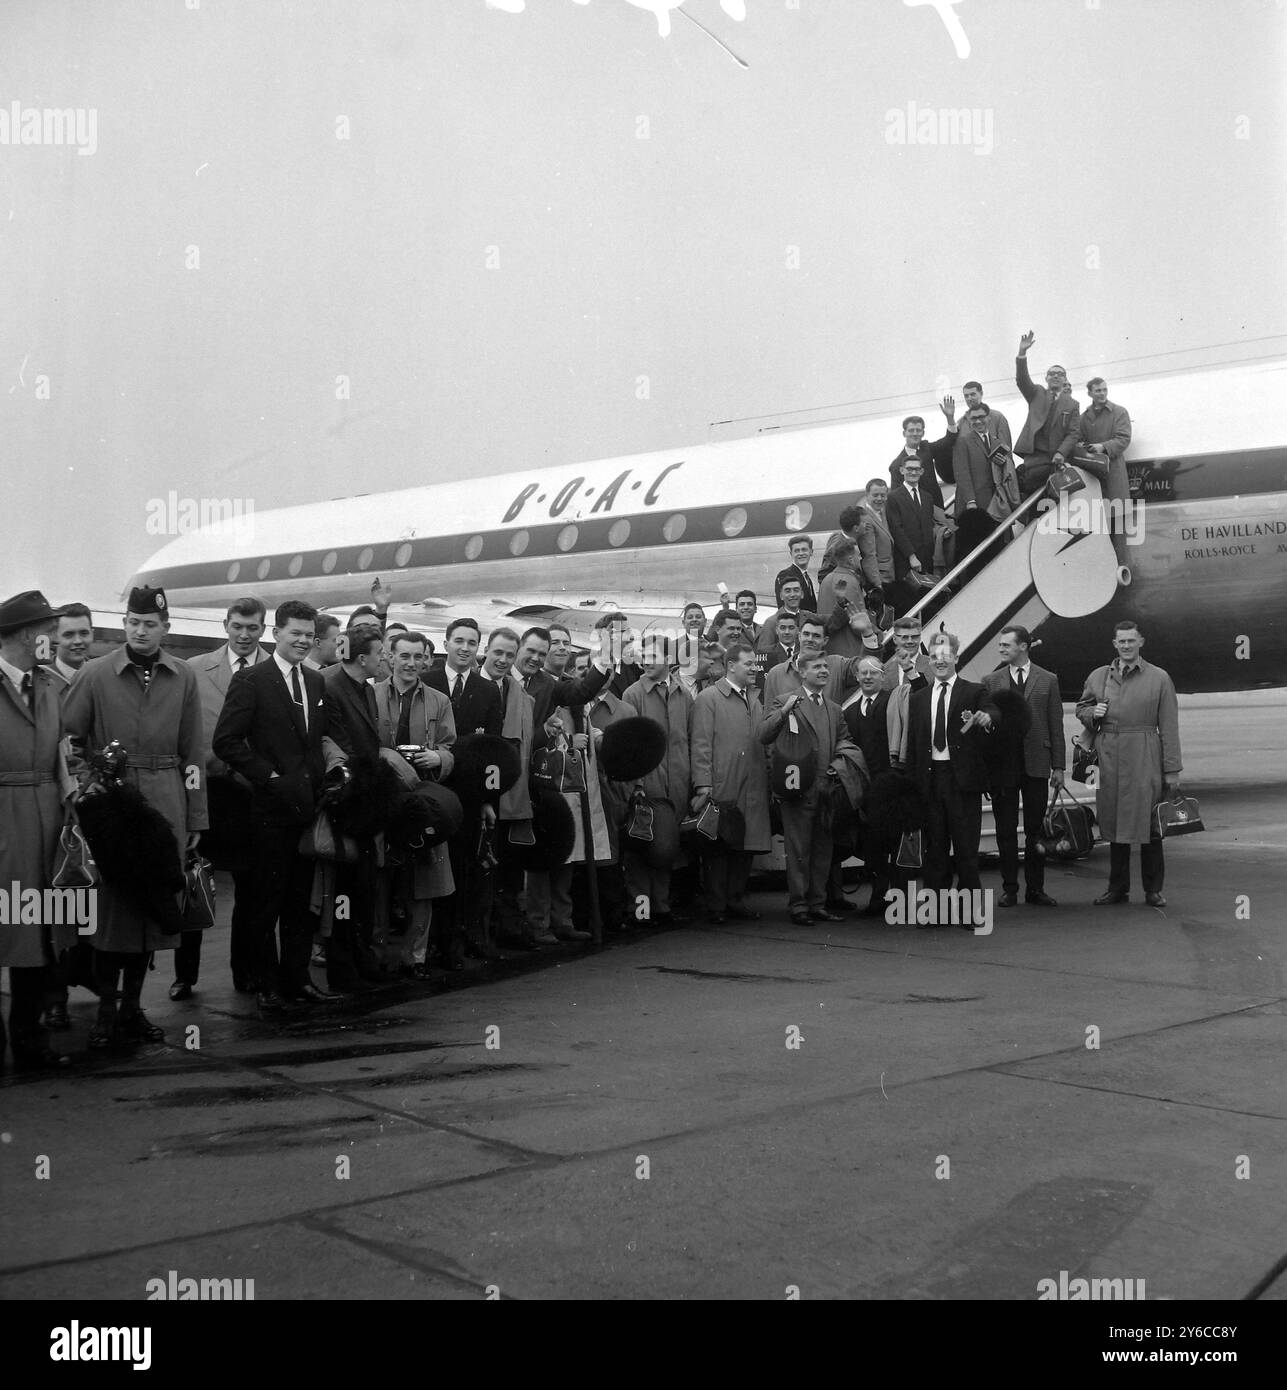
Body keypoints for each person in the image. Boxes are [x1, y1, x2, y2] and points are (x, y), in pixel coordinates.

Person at [63, 585, 208, 1043]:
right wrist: (91, 786)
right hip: (112, 808)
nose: (140, 631)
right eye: (133, 622)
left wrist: (195, 820)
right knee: (113, 913)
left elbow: (192, 754)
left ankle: (133, 1008)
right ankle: (106, 1011)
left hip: (165, 800)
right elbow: (69, 742)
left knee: (152, 913)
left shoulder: (183, 676)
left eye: (149, 624)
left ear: (165, 628)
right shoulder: (95, 673)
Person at [212, 599, 350, 1012]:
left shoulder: (315, 682)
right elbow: (226, 742)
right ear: (277, 634)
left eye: (309, 635)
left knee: (299, 903)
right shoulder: (253, 680)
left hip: (305, 810)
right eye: (296, 634)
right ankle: (266, 984)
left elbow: (318, 739)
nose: (304, 642)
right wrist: (269, 777)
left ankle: (297, 979)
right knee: (264, 901)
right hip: (269, 812)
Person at [0, 591, 76, 1069]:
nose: (51, 635)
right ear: (27, 634)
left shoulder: (47, 685)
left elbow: (63, 753)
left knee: (39, 932)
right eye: (47, 626)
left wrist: (71, 804)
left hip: (48, 817)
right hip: (5, 815)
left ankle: (29, 1040)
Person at [183, 596, 271, 998]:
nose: (244, 634)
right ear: (225, 625)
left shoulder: (277, 672)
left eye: (253, 628)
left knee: (251, 890)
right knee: (195, 883)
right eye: (238, 626)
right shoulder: (195, 669)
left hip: (252, 794)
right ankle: (184, 975)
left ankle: (246, 972)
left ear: (263, 630)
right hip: (206, 792)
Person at [514, 626, 611, 945]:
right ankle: (538, 922)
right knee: (543, 853)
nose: (553, 651)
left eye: (561, 644)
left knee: (566, 846)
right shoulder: (515, 682)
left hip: (564, 781)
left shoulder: (557, 686)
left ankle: (562, 919)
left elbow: (582, 693)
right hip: (532, 780)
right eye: (546, 646)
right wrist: (566, 739)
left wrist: (604, 660)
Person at [1075, 620, 1181, 907]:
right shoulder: (1098, 676)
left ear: (1141, 642)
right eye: (1121, 641)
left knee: (1150, 824)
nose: (1125, 646)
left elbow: (1169, 727)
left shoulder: (1159, 678)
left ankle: (1153, 890)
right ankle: (1117, 888)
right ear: (1114, 644)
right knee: (1113, 822)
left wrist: (1172, 770)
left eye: (1130, 641)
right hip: (1107, 757)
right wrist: (1091, 714)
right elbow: (1082, 707)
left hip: (1144, 755)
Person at [372, 631, 457, 971]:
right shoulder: (371, 695)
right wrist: (384, 755)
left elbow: (450, 745)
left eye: (417, 657)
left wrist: (439, 758)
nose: (410, 663)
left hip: (424, 800)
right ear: (390, 658)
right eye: (403, 656)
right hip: (381, 799)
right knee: (379, 881)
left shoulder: (440, 701)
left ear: (426, 660)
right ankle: (376, 957)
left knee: (426, 883)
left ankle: (415, 956)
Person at [760, 652, 859, 925]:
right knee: (798, 850)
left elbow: (845, 741)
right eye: (817, 667)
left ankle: (818, 903)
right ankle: (799, 905)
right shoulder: (785, 701)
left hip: (825, 790)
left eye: (826, 666)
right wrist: (783, 712)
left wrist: (838, 765)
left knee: (822, 849)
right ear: (802, 673)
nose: (824, 671)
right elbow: (764, 734)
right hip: (796, 790)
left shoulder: (834, 709)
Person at [424, 617, 502, 962]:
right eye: (459, 641)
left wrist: (489, 800)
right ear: (446, 643)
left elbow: (495, 753)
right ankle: (432, 943)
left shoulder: (488, 691)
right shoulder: (428, 681)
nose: (465, 648)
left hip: (470, 793)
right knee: (431, 868)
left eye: (472, 643)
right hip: (432, 788)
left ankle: (459, 940)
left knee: (466, 868)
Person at [904, 632, 998, 904]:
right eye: (934, 657)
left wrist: (986, 718)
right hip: (930, 780)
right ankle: (936, 907)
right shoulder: (919, 698)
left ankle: (969, 908)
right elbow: (914, 745)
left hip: (962, 782)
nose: (939, 661)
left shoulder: (974, 691)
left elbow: (994, 712)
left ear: (956, 657)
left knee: (967, 849)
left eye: (945, 656)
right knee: (935, 849)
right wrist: (913, 787)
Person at [319, 628, 386, 987]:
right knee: (344, 886)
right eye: (381, 653)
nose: (385, 658)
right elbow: (339, 744)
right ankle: (342, 966)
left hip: (366, 802)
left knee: (363, 885)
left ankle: (359, 957)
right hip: (347, 801)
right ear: (363, 659)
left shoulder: (366, 689)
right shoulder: (331, 686)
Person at [689, 642, 771, 924]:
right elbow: (700, 744)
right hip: (722, 784)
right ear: (731, 665)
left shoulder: (754, 699)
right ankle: (716, 905)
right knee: (719, 847)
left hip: (753, 784)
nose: (754, 669)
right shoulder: (708, 698)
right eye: (749, 664)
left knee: (744, 845)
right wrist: (703, 784)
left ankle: (735, 900)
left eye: (755, 664)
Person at [982, 626, 1064, 908]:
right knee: (1005, 829)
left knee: (1034, 830)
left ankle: (1035, 889)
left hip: (1037, 765)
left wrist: (1059, 767)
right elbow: (986, 732)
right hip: (1003, 767)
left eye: (1007, 645)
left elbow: (1056, 725)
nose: (1001, 649)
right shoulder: (991, 681)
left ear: (1024, 647)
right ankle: (1010, 888)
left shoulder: (1048, 680)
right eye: (1001, 645)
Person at [621, 643, 693, 928]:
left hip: (676, 784)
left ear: (668, 659)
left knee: (667, 847)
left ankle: (662, 907)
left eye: (652, 657)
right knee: (641, 849)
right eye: (643, 658)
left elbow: (686, 738)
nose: (645, 663)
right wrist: (638, 783)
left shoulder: (682, 694)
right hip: (646, 784)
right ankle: (641, 910)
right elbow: (632, 742)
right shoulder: (633, 694)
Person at [842, 657, 896, 916]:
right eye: (862, 673)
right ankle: (877, 897)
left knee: (894, 845)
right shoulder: (849, 713)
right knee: (872, 845)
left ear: (883, 676)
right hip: (865, 789)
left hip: (891, 788)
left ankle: (896, 899)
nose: (867, 677)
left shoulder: (893, 703)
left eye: (872, 673)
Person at [952, 402, 1021, 573]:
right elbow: (962, 473)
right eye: (973, 418)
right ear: (968, 420)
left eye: (981, 417)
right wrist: (970, 501)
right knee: (975, 556)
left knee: (997, 552)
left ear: (989, 418)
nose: (978, 421)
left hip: (996, 506)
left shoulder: (998, 443)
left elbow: (1008, 473)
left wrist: (1006, 463)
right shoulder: (963, 442)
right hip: (975, 509)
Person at [1076, 377, 1133, 572]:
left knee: (1118, 525)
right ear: (1089, 393)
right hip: (1094, 478)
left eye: (1104, 390)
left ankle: (1122, 568)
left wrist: (1103, 447)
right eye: (1097, 390)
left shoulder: (1119, 412)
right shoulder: (1084, 418)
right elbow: (1079, 441)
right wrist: (1085, 448)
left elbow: (1124, 439)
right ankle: (1105, 572)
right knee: (1099, 525)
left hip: (1115, 475)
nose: (1102, 393)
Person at [1014, 331, 1081, 499]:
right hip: (1035, 458)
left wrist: (1061, 452)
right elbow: (1022, 380)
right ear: (1046, 378)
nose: (1056, 376)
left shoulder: (1072, 404)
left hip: (1056, 459)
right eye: (1052, 373)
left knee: (1055, 500)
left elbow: (1073, 433)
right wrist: (1022, 353)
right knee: (1034, 497)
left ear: (1065, 379)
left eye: (1060, 374)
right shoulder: (1036, 393)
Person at [886, 457, 939, 616]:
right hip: (906, 559)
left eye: (917, 469)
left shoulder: (927, 497)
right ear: (902, 470)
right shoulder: (894, 497)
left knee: (926, 602)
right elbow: (897, 529)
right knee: (909, 603)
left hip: (926, 558)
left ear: (922, 472)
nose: (913, 472)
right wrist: (911, 556)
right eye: (909, 468)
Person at [888, 399, 958, 501]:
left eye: (918, 430)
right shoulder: (896, 465)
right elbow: (896, 497)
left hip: (936, 507)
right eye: (911, 430)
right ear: (904, 434)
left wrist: (950, 418)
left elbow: (949, 440)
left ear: (923, 433)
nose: (915, 433)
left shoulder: (927, 448)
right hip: (914, 511)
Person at [856, 479, 895, 603]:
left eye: (883, 495)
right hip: (880, 578)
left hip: (889, 574)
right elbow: (869, 555)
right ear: (867, 495)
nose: (879, 498)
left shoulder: (882, 513)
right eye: (875, 495)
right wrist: (877, 585)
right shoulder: (866, 519)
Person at [45, 602, 94, 691]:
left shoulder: (102, 677)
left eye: (84, 633)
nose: (78, 641)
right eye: (69, 634)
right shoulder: (39, 681)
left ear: (92, 634)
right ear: (55, 637)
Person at [774, 536, 818, 612]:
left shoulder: (806, 577)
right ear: (791, 553)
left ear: (811, 552)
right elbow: (784, 609)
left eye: (804, 550)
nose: (801, 553)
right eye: (797, 551)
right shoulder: (785, 575)